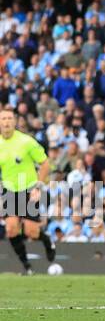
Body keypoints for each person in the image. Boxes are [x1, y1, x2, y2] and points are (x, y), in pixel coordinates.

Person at [0, 108, 56, 275]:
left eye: (9, 118)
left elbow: (45, 164)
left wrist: (38, 186)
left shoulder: (26, 141)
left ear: (15, 122)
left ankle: (47, 240)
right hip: (9, 191)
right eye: (3, 119)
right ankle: (27, 266)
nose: (6, 122)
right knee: (11, 229)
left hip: (29, 189)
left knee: (31, 232)